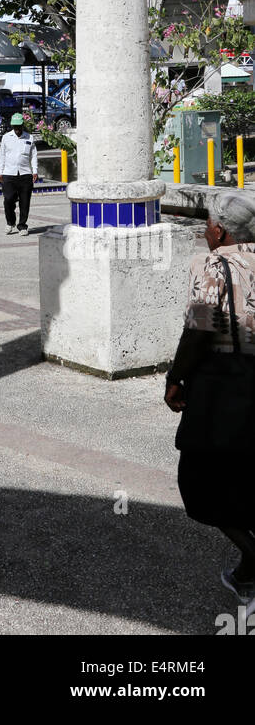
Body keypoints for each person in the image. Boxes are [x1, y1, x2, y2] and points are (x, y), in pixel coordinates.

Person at [165, 192, 255, 612]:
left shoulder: (213, 264)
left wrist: (176, 376)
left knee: (202, 479)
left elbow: (202, 327)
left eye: (207, 224)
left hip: (225, 383)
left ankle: (254, 559)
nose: (204, 231)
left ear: (220, 231)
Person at [0, 112, 38, 235]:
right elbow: (2, 155)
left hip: (25, 174)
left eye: (19, 126)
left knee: (25, 201)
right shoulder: (6, 137)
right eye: (15, 127)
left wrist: (35, 171)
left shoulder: (29, 138)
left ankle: (22, 226)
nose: (17, 129)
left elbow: (34, 155)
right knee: (8, 199)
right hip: (9, 173)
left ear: (22, 125)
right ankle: (10, 222)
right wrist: (0, 172)